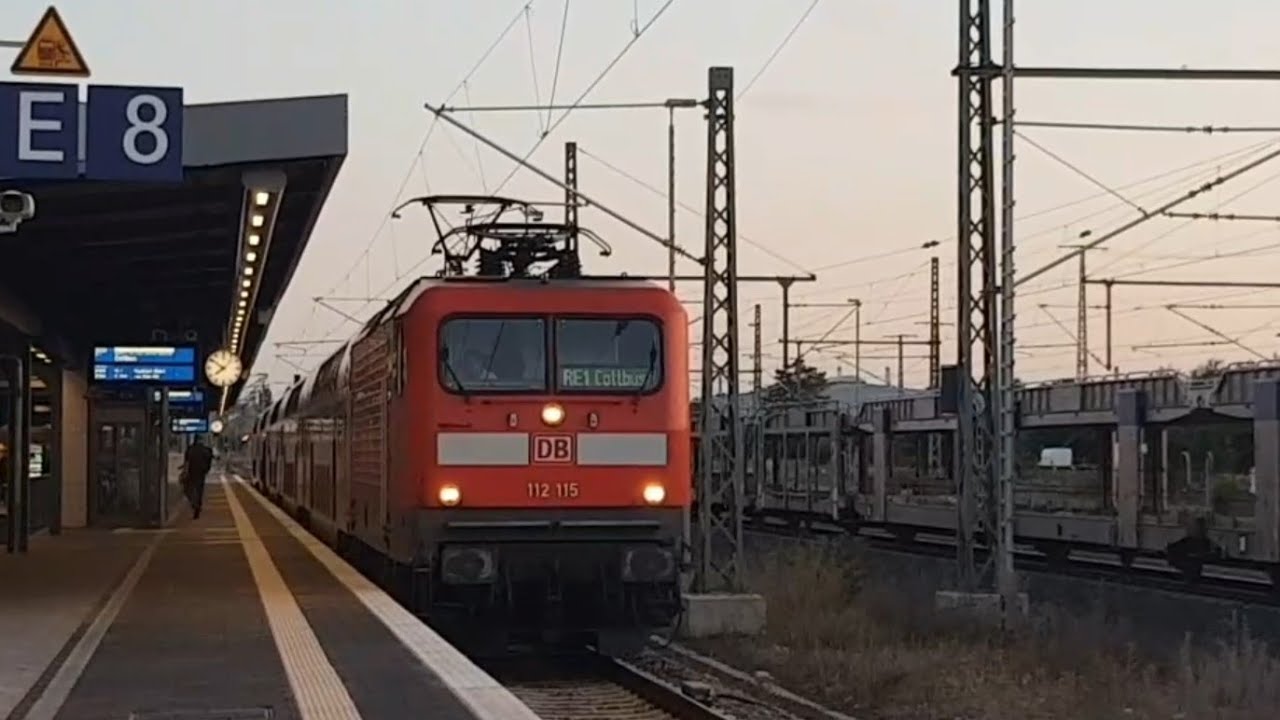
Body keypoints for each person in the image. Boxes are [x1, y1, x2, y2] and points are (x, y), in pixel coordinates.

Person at [182, 436, 214, 519]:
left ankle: (194, 503)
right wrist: (206, 469)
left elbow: (186, 462)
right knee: (199, 490)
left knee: (188, 489)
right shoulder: (206, 450)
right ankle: (198, 505)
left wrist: (184, 471)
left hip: (191, 472)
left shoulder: (190, 449)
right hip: (201, 472)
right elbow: (209, 461)